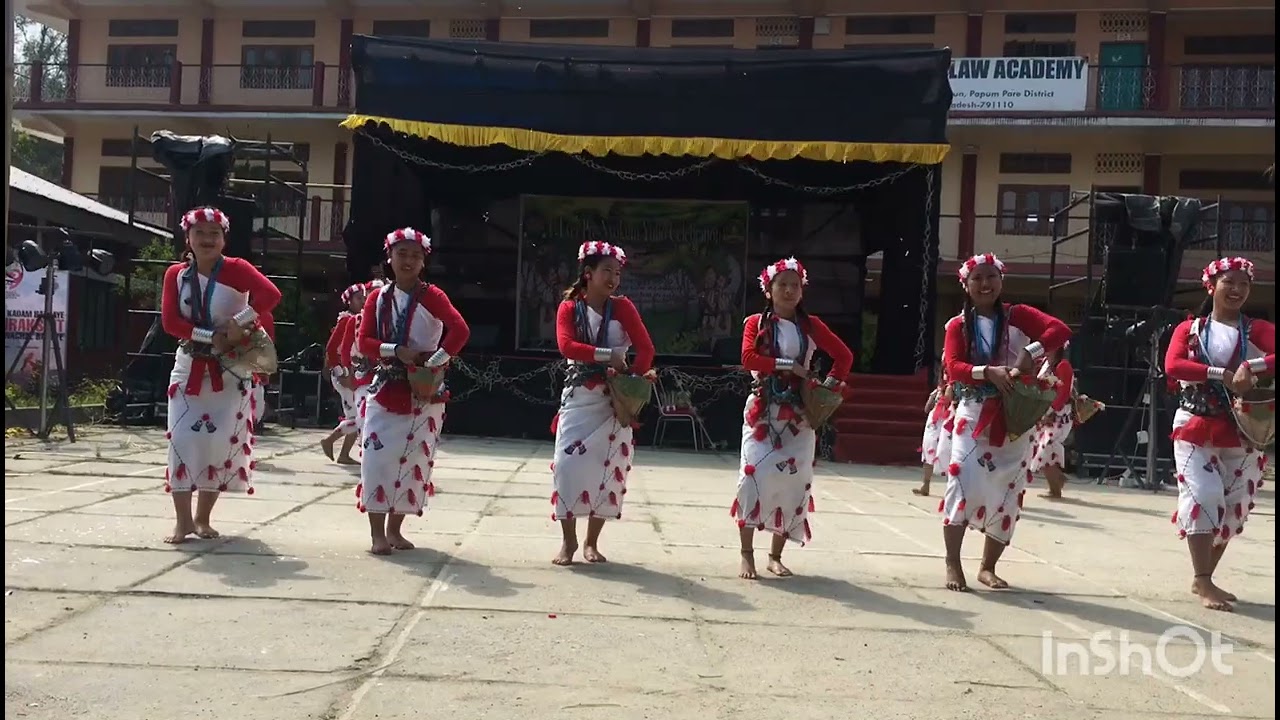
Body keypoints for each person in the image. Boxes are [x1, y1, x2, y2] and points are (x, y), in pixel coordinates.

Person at [940, 253, 1070, 591]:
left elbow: (1061, 330)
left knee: (1009, 490)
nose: (985, 284)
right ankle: (953, 562)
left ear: (1001, 281)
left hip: (1016, 415)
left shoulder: (1018, 315)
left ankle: (988, 566)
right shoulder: (957, 325)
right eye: (977, 279)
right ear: (966, 286)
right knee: (963, 483)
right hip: (973, 414)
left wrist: (1033, 351)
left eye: (991, 277)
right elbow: (953, 365)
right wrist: (986, 372)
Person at [159, 206, 282, 544]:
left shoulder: (238, 269)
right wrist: (208, 335)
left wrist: (239, 322)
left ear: (224, 238)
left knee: (218, 443)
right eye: (200, 233)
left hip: (230, 368)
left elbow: (271, 296)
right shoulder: (176, 275)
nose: (207, 239)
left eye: (214, 233)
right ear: (188, 238)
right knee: (182, 440)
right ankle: (182, 521)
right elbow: (171, 322)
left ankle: (202, 518)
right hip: (189, 366)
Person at [1164, 256, 1273, 612]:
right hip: (1195, 425)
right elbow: (1174, 365)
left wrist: (1250, 365)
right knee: (1204, 494)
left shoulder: (1254, 329)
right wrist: (1221, 374)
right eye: (1229, 282)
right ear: (1211, 286)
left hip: (1243, 431)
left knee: (1233, 507)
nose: (1237, 289)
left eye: (1244, 284)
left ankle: (1205, 577)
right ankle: (1202, 578)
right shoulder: (1191, 329)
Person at [734, 257, 854, 579]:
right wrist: (789, 366)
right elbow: (748, 358)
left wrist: (827, 389)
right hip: (764, 409)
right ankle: (747, 553)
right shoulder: (756, 323)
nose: (788, 290)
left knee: (794, 483)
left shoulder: (811, 325)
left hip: (800, 414)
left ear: (802, 291)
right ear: (769, 290)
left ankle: (775, 555)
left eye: (794, 285)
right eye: (782, 285)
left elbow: (844, 356)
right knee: (752, 477)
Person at [356, 228, 470, 555]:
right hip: (386, 385)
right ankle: (377, 532)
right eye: (402, 254)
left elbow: (460, 329)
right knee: (377, 459)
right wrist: (395, 350)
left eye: (415, 256)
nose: (408, 261)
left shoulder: (433, 296)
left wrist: (434, 362)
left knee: (413, 459)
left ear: (423, 262)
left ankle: (395, 529)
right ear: (389, 258)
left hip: (424, 389)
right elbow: (364, 342)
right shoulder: (378, 298)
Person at [550, 241, 655, 566]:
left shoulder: (622, 307)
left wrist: (629, 382)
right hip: (580, 396)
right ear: (588, 273)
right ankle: (568, 542)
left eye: (617, 272)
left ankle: (591, 543)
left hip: (613, 402)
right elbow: (567, 346)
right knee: (567, 467)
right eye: (606, 270)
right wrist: (609, 357)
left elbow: (647, 350)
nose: (612, 277)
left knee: (608, 469)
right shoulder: (569, 307)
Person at [321, 283, 366, 463]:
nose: (362, 301)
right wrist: (342, 373)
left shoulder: (358, 319)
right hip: (345, 373)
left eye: (364, 298)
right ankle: (329, 440)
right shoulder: (346, 320)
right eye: (358, 298)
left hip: (352, 372)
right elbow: (332, 349)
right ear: (349, 301)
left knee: (354, 415)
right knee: (358, 417)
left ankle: (344, 454)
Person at [342, 279, 385, 463]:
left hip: (385, 379)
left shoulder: (391, 321)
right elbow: (343, 350)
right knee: (362, 417)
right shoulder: (354, 320)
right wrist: (346, 373)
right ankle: (369, 459)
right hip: (362, 377)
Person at [1030, 345, 1075, 500]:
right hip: (1046, 413)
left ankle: (1056, 489)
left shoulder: (1063, 365)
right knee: (1043, 450)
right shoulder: (1045, 364)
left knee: (1046, 448)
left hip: (1059, 415)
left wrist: (1049, 411)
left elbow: (1063, 393)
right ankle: (1056, 483)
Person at [915, 363, 953, 497]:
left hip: (949, 419)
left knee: (949, 452)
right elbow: (927, 408)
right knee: (928, 448)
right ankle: (926, 484)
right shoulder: (938, 390)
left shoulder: (956, 388)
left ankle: (952, 488)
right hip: (935, 421)